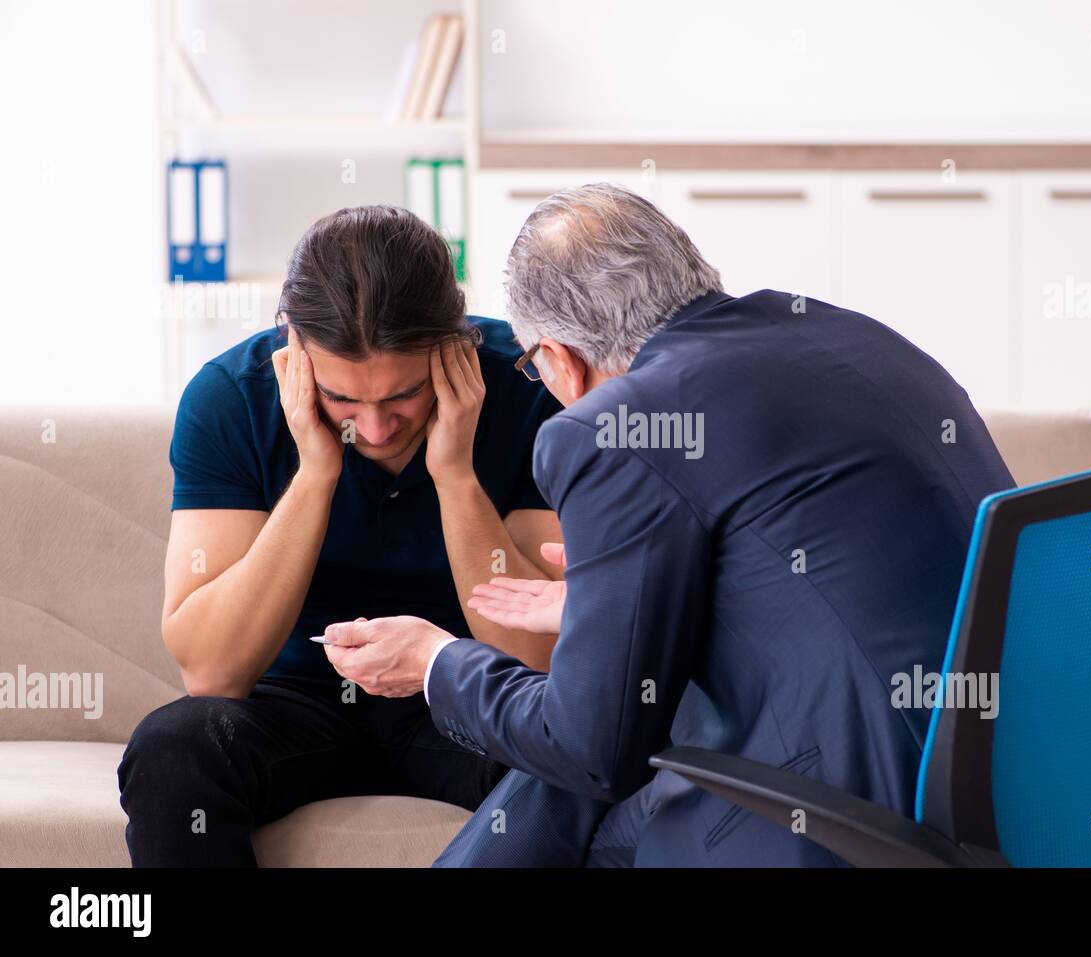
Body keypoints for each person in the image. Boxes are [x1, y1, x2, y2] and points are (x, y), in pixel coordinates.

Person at [318, 184, 1015, 866]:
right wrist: (608, 611)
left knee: (568, 782)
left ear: (559, 358)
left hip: (853, 811)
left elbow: (589, 748)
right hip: (1013, 771)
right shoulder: (855, 337)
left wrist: (437, 662)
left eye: (535, 368)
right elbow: (817, 571)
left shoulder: (616, 425)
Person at [117, 205, 563, 867]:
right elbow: (211, 670)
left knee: (569, 753)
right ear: (294, 349)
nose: (376, 429)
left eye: (404, 395)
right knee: (172, 748)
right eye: (343, 399)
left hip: (465, 687)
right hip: (296, 701)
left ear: (457, 343)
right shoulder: (229, 398)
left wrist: (455, 474)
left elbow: (541, 661)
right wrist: (316, 472)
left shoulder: (530, 390)